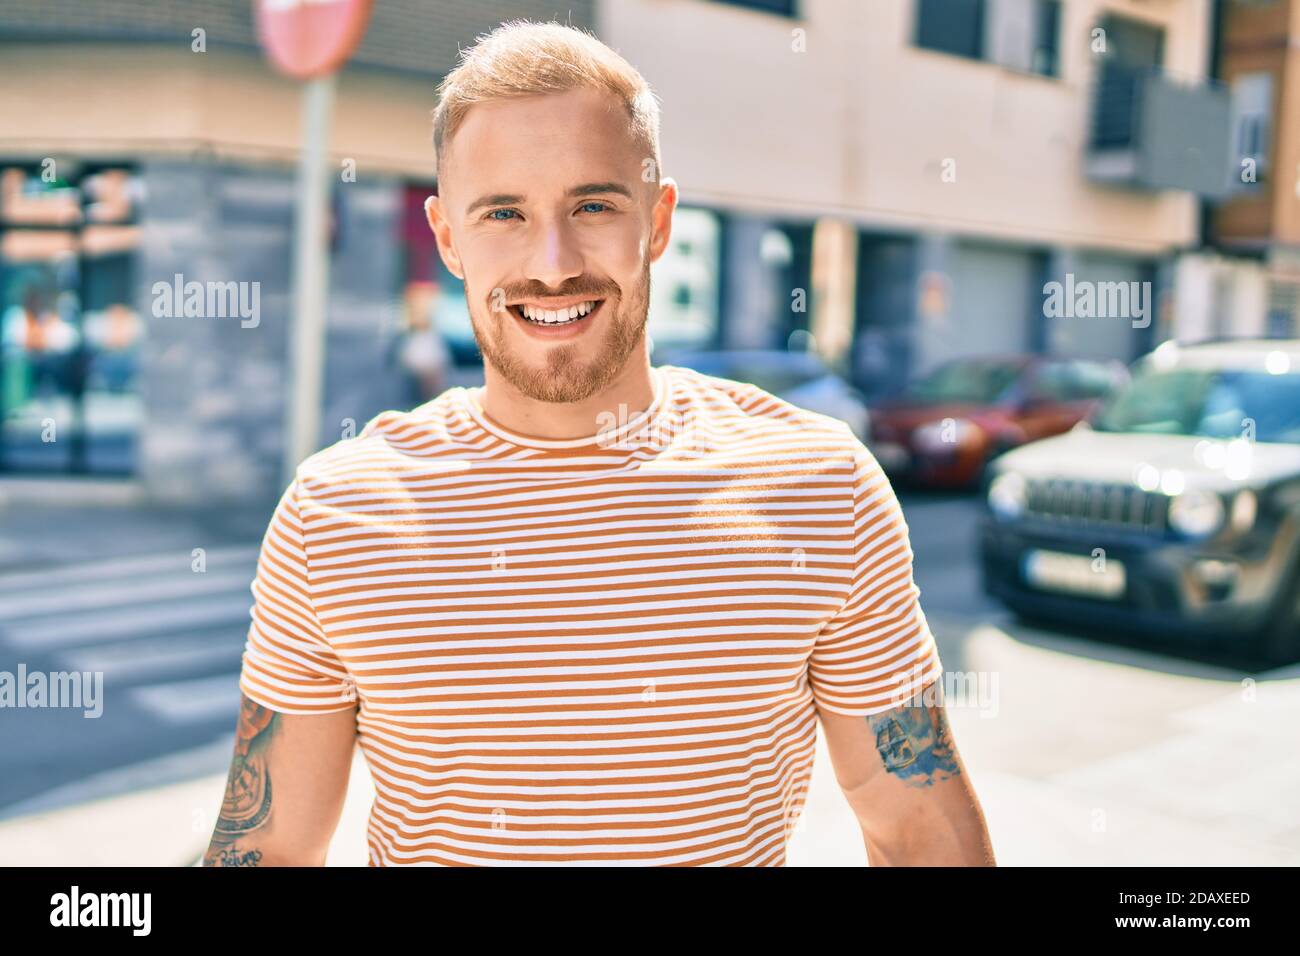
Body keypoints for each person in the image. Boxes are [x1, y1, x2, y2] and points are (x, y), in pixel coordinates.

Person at [204, 20, 995, 867]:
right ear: (447, 240)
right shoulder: (335, 512)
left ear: (657, 222)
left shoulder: (820, 486)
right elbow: (270, 849)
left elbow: (919, 834)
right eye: (504, 212)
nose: (552, 264)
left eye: (592, 206)